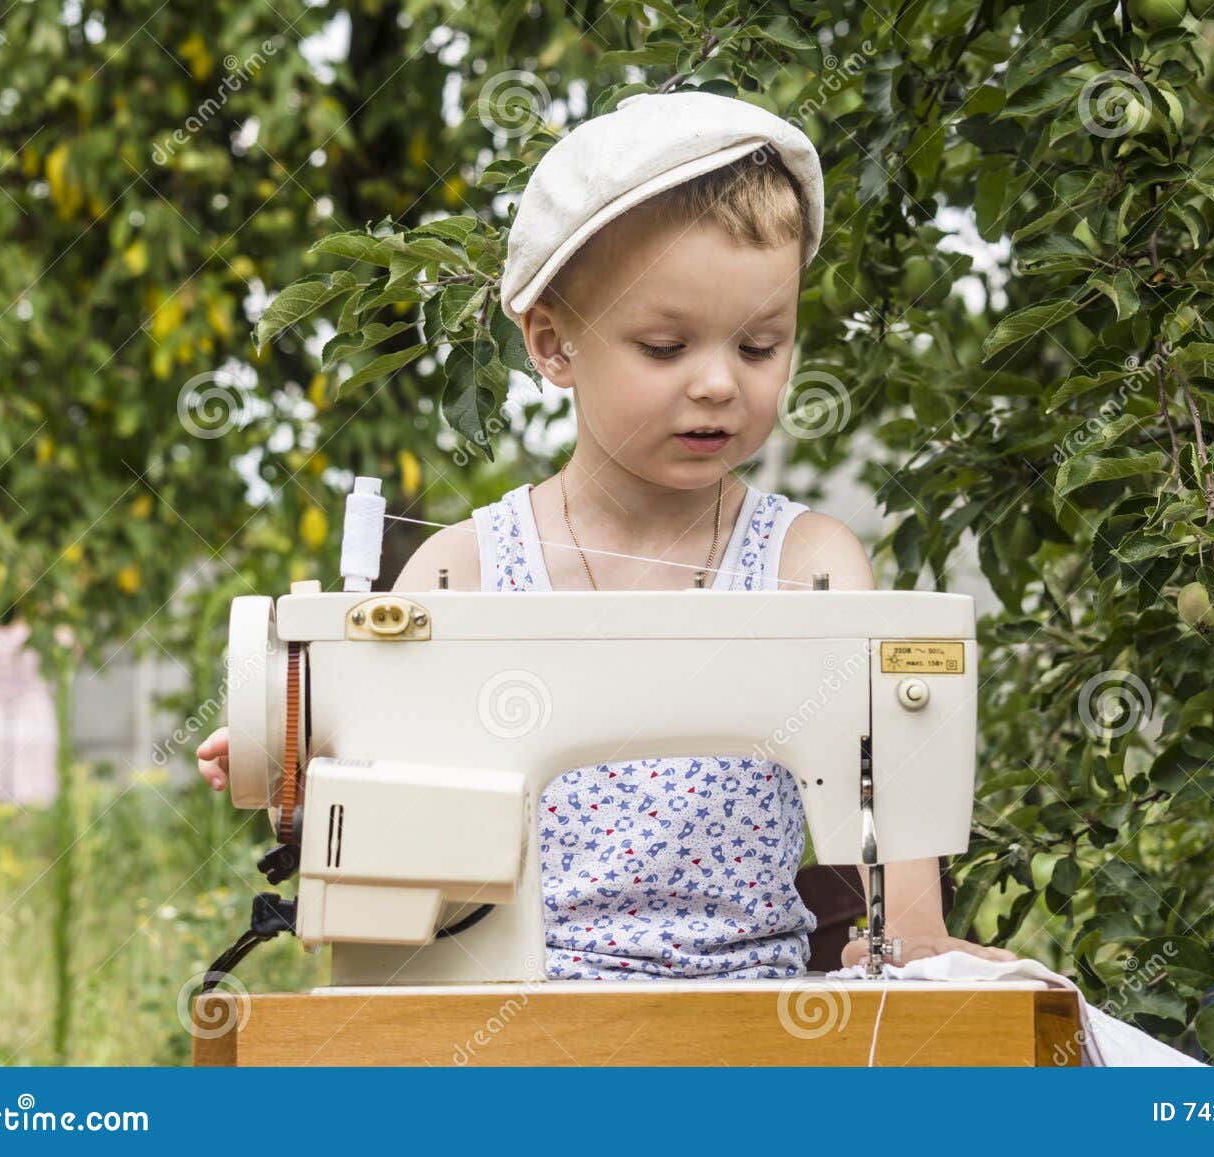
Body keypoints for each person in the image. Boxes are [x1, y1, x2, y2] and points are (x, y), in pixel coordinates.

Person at [197, 88, 1015, 977]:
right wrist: (303, 755)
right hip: (513, 1026)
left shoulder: (811, 565)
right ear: (552, 345)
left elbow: (885, 777)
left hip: (759, 1022)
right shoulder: (458, 574)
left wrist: (914, 939)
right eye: (666, 347)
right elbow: (386, 812)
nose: (718, 384)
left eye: (759, 346)